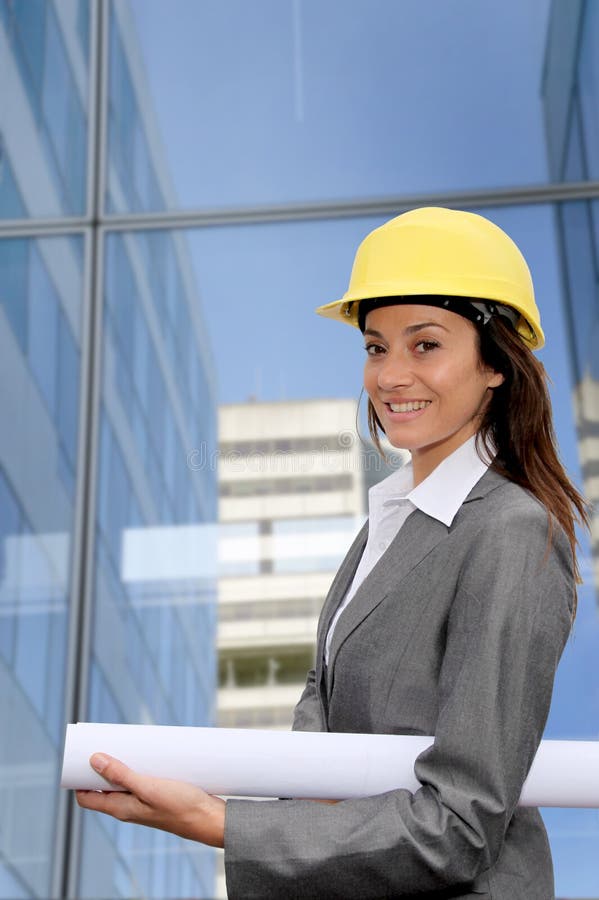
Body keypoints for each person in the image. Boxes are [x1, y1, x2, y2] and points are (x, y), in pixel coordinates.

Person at [76, 207, 589, 899]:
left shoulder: (509, 531)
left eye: (425, 344)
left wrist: (219, 822)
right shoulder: (387, 523)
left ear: (494, 362)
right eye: (376, 348)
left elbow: (461, 824)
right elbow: (321, 729)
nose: (390, 375)